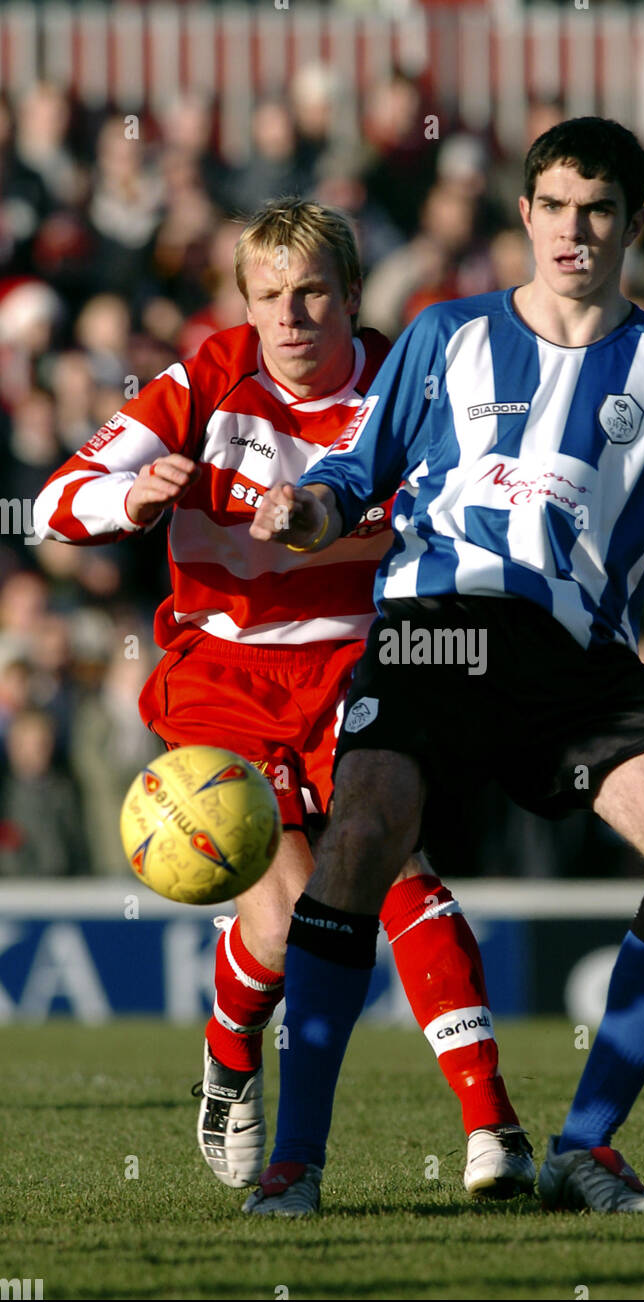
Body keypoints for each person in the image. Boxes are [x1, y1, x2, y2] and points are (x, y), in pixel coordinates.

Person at [252, 120, 644, 1213]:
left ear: (631, 224)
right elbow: (353, 474)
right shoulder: (444, 335)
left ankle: (584, 1144)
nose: (574, 230)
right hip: (437, 623)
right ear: (524, 214)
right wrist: (306, 510)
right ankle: (296, 1161)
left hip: (576, 658)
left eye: (598, 210)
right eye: (555, 206)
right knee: (362, 829)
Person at [33, 197, 533, 1216]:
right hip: (223, 674)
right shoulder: (207, 380)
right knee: (284, 916)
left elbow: (481, 515)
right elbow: (51, 500)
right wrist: (129, 499)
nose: (291, 316)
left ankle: (492, 1131)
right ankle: (228, 1058)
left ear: (351, 294)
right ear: (245, 303)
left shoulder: (411, 384)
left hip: (355, 668)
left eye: (312, 293)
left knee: (392, 865)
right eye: (269, 296)